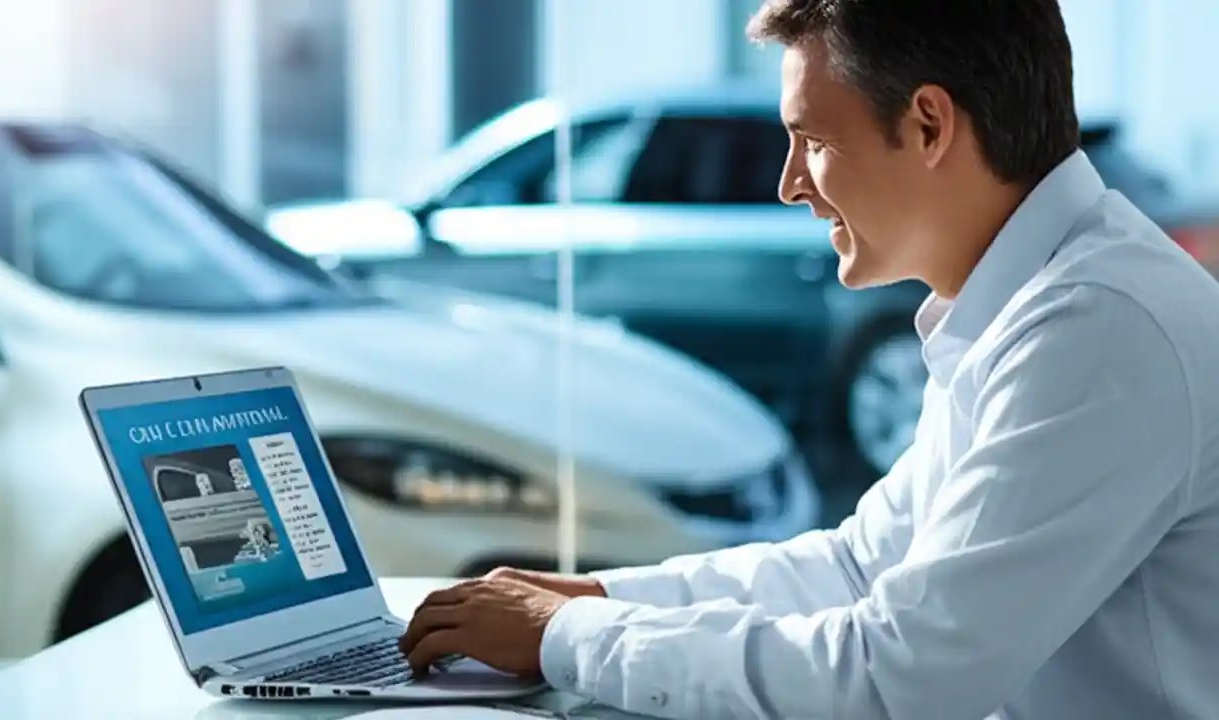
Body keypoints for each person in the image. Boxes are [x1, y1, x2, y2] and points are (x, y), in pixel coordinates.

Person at [400, 1, 1219, 717]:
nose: (791, 183)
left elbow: (898, 678)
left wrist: (567, 638)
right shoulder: (1030, 304)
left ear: (929, 124)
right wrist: (599, 597)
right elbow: (864, 565)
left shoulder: (1096, 331)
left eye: (813, 141)